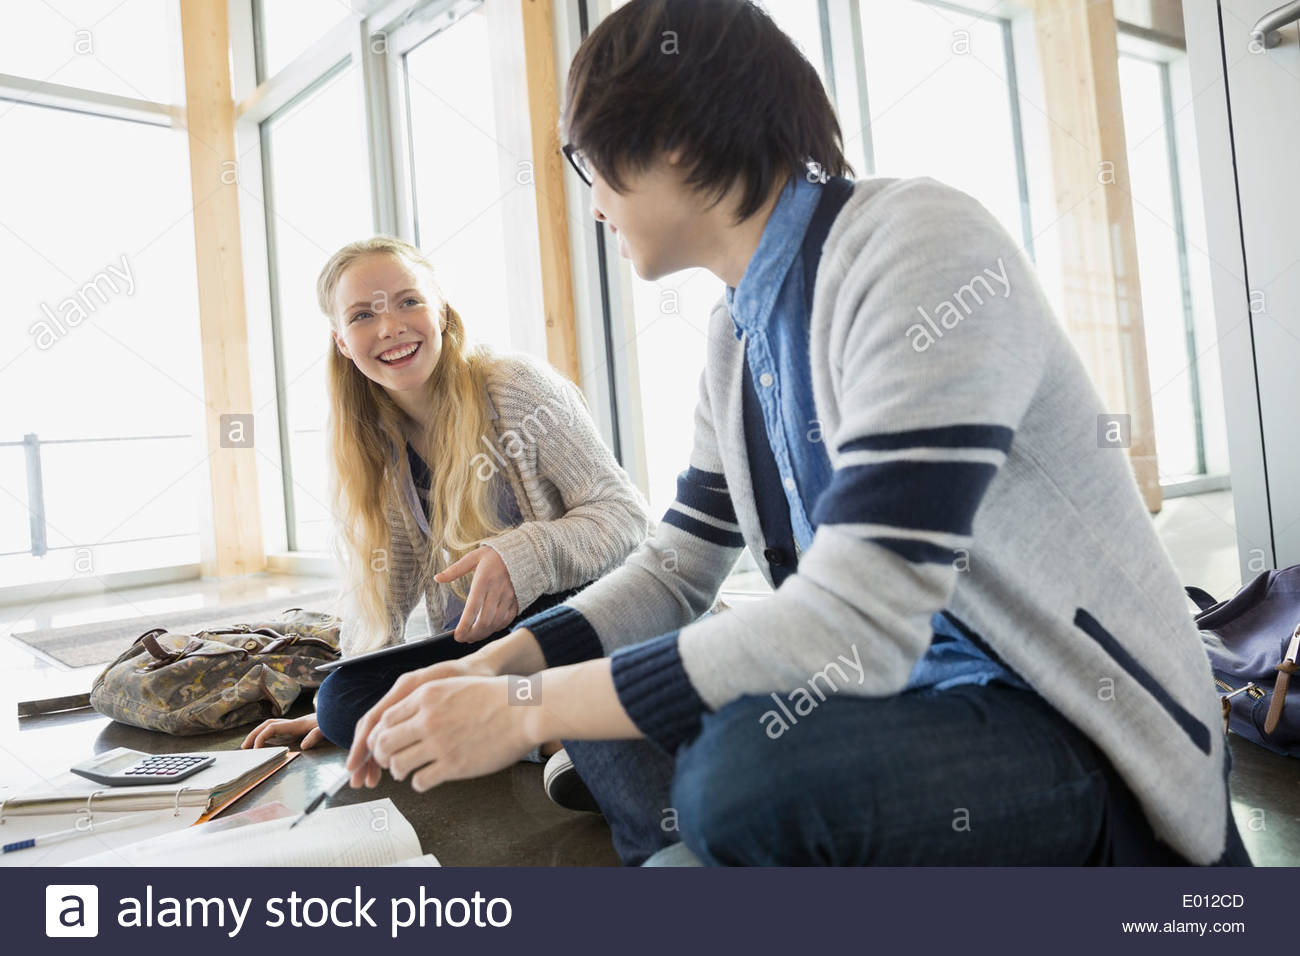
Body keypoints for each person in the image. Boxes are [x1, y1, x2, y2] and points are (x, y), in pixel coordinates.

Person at [340, 0, 1250, 867]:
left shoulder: (917, 245)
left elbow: (863, 611)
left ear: (675, 140)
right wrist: (501, 668)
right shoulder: (735, 334)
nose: (594, 206)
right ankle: (682, 859)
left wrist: (523, 707)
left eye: (590, 167)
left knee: (742, 778)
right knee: (597, 677)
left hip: (1060, 722)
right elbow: (673, 569)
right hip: (894, 699)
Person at [242, 236, 649, 773]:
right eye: (363, 315)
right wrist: (341, 702)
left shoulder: (516, 387)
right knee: (343, 700)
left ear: (441, 311)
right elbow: (386, 593)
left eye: (408, 301)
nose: (390, 327)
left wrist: (521, 556)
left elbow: (625, 516)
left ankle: (555, 735)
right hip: (488, 651)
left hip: (580, 613)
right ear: (342, 341)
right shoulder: (375, 443)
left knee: (542, 628)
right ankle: (555, 732)